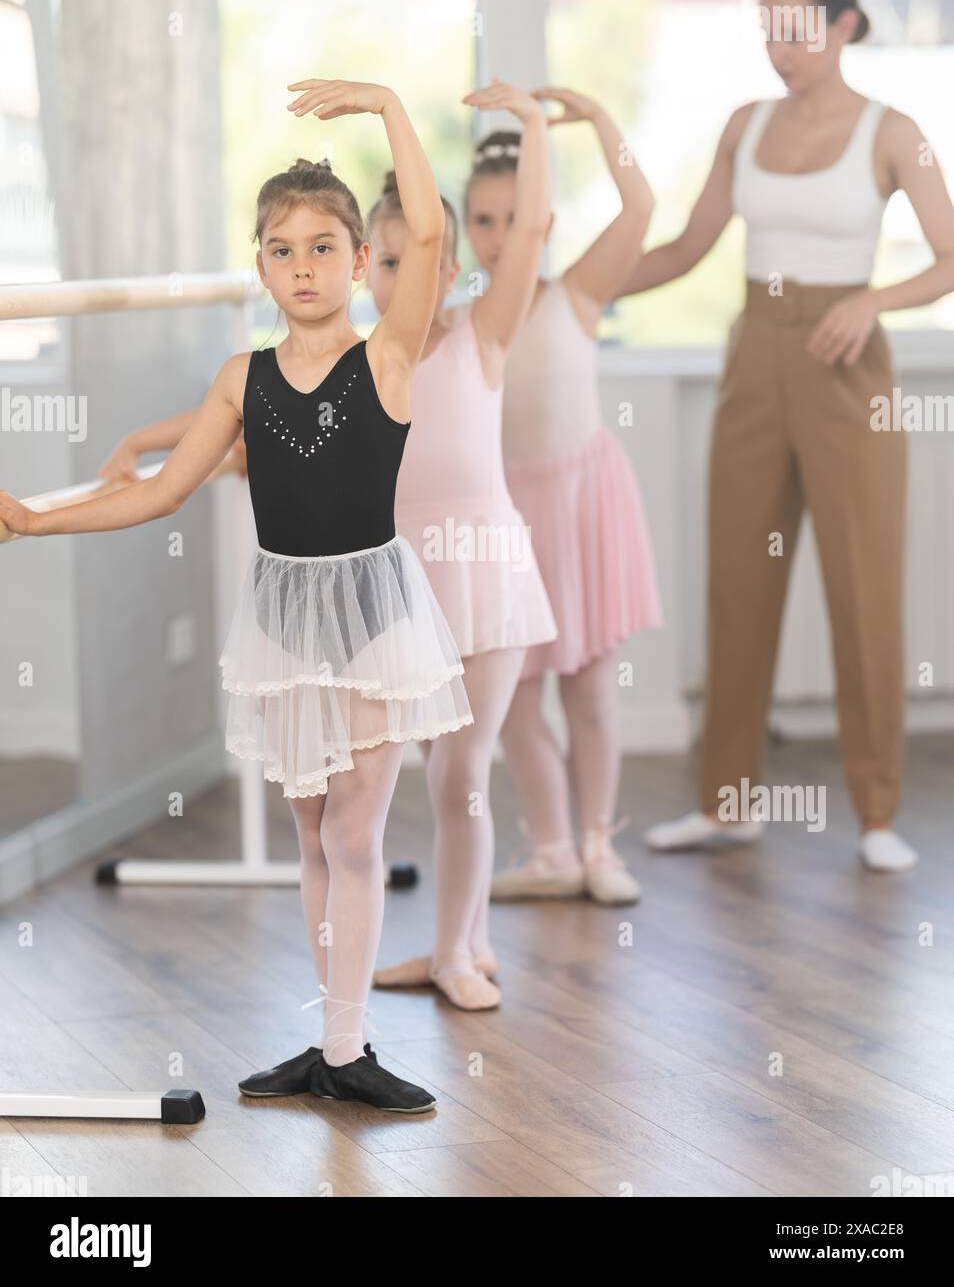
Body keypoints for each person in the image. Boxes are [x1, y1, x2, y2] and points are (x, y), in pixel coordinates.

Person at [0, 78, 471, 1112]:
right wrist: (35, 520)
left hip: (376, 614)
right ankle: (329, 1041)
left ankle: (349, 1047)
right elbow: (163, 494)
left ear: (357, 260)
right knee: (310, 835)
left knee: (354, 834)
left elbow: (430, 234)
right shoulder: (240, 377)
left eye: (321, 246)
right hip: (284, 616)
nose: (302, 266)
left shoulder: (387, 355)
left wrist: (390, 103)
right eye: (280, 248)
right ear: (258, 264)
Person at [617, 0, 954, 870]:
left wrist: (873, 300)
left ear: (845, 26)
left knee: (863, 586)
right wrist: (568, 286)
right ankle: (728, 804)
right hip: (754, 353)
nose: (779, 44)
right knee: (738, 580)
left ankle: (878, 814)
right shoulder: (744, 123)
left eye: (798, 26)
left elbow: (950, 255)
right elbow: (686, 248)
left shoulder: (895, 132)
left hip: (846, 362)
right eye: (767, 25)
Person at [367, 80, 556, 1010]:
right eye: (386, 260)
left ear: (450, 270)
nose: (404, 278)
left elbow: (528, 233)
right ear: (364, 265)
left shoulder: (482, 335)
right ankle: (465, 941)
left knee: (460, 772)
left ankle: (449, 952)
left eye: (423, 260)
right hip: (408, 586)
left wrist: (535, 127)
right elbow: (246, 414)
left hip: (483, 579)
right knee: (431, 775)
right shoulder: (358, 364)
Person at [455, 90, 662, 909]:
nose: (501, 236)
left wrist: (598, 118)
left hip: (583, 504)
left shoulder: (578, 291)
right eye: (483, 221)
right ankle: (551, 852)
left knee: (590, 689)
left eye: (516, 217)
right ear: (467, 230)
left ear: (541, 219)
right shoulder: (462, 319)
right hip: (509, 518)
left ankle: (602, 846)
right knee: (513, 701)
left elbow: (640, 205)